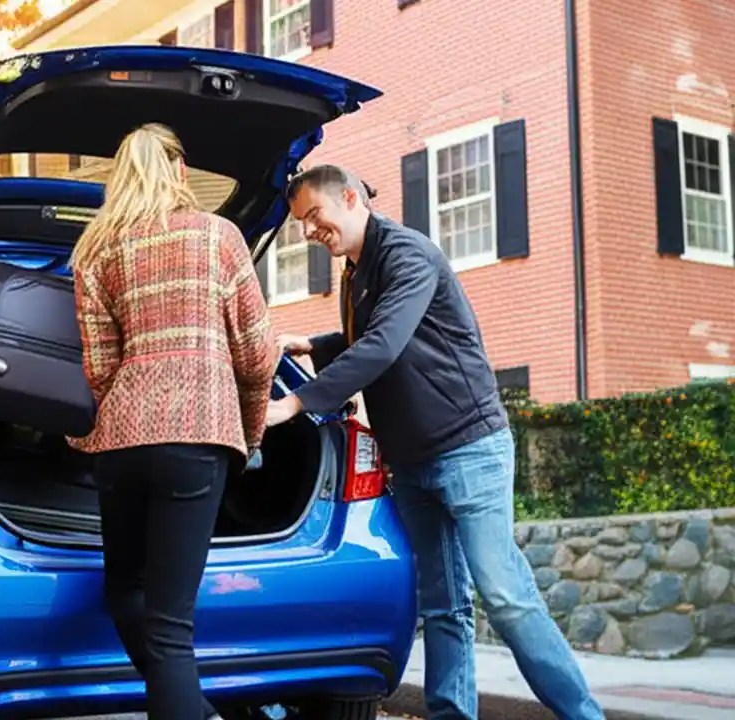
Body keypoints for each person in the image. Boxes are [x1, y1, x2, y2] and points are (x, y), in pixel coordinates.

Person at [266, 164, 603, 720]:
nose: (307, 232)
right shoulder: (356, 271)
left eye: (313, 217)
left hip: (468, 449)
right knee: (443, 605)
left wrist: (299, 402)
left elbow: (384, 345)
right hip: (413, 461)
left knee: (505, 597)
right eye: (301, 223)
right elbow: (369, 337)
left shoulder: (407, 254)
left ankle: (583, 715)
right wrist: (314, 343)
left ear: (349, 198)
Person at [68, 123, 277, 720]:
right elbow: (258, 357)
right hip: (198, 436)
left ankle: (194, 708)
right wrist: (251, 432)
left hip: (123, 441)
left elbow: (100, 366)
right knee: (168, 625)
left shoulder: (95, 250)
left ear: (118, 179)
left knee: (128, 596)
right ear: (181, 171)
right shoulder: (219, 236)